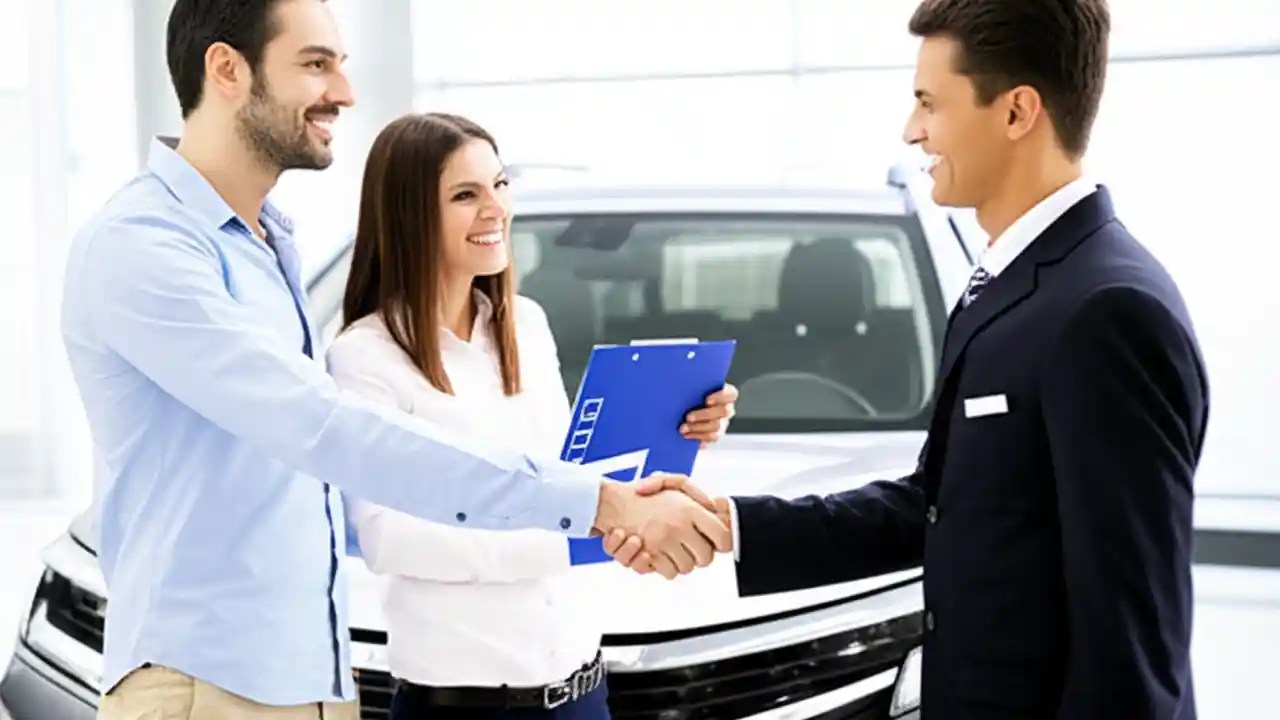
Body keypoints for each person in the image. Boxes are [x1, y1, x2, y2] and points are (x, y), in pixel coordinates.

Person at [60, 1, 729, 718]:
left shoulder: (266, 247)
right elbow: (326, 431)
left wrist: (647, 453)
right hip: (207, 685)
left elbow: (317, 485)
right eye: (316, 63)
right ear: (226, 69)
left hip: (312, 681)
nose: (345, 92)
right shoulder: (145, 247)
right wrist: (593, 508)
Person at [608, 1, 1210, 718]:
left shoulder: (1106, 311)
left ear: (1017, 112)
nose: (911, 129)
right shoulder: (1008, 287)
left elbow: (1133, 631)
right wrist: (733, 523)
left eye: (929, 102)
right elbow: (935, 507)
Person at [325, 112, 736, 720]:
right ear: (409, 214)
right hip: (465, 708)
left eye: (500, 185)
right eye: (466, 195)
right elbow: (396, 539)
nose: (496, 209)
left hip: (582, 694)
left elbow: (574, 469)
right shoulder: (364, 356)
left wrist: (682, 435)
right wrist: (579, 534)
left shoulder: (525, 323)